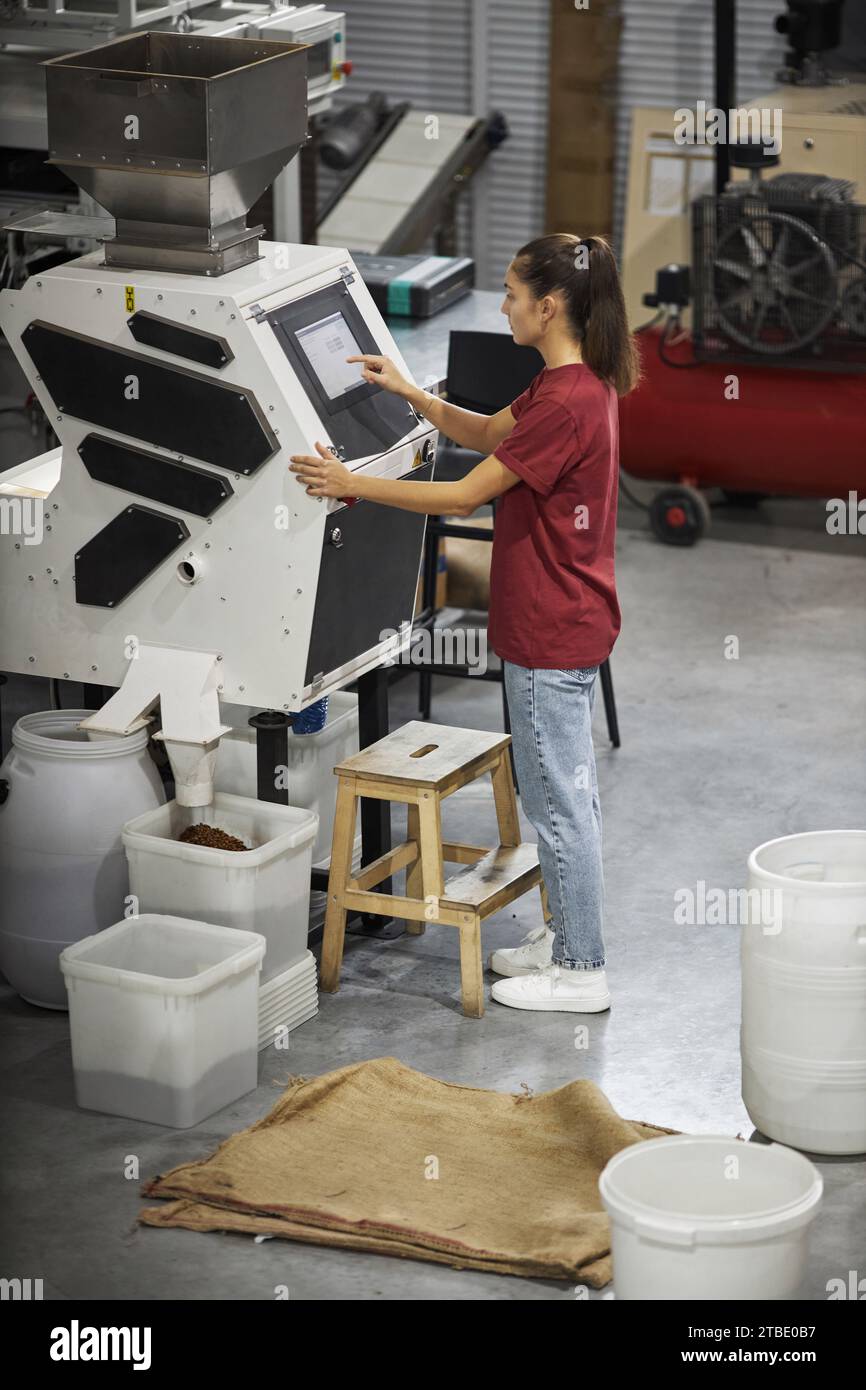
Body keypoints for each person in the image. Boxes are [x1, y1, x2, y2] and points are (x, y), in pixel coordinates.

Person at [289, 232, 640, 1013]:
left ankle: (582, 971)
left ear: (549, 307)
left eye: (514, 294)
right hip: (552, 624)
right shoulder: (567, 386)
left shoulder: (567, 401)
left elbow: (461, 497)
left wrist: (351, 484)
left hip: (555, 631)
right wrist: (412, 393)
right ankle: (563, 935)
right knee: (552, 791)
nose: (506, 304)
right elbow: (485, 434)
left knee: (560, 802)